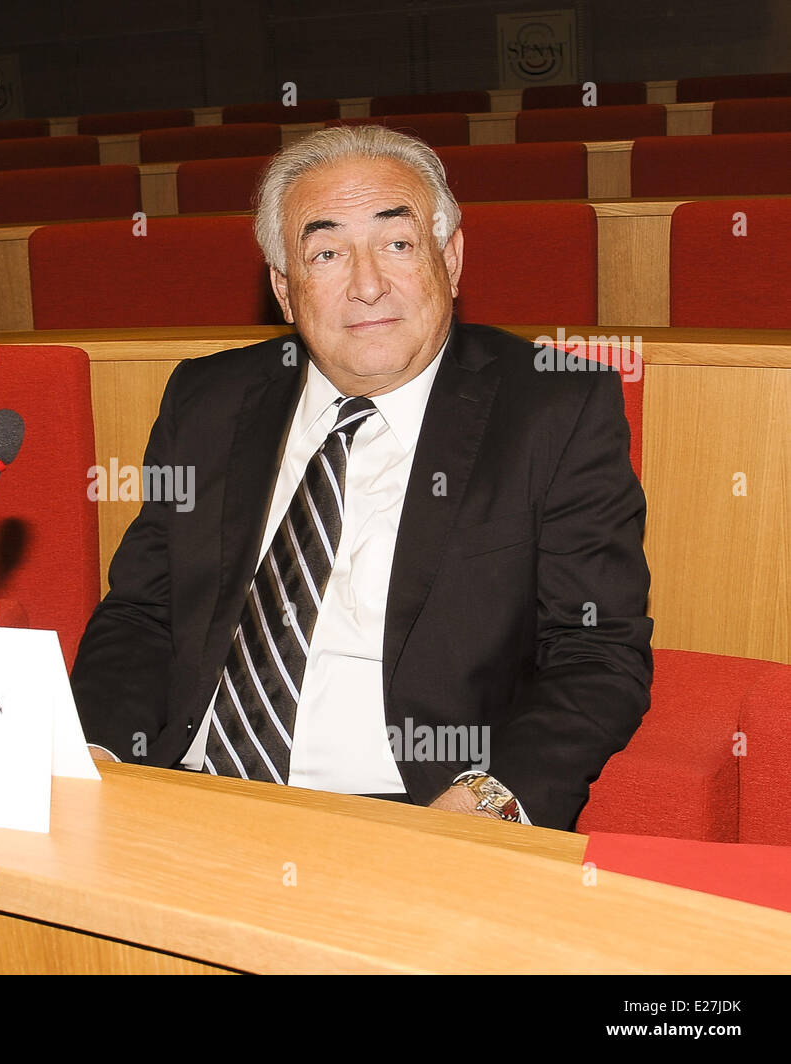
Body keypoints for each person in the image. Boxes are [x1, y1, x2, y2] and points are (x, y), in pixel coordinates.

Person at [69, 125, 652, 832]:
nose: (367, 284)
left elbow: (594, 650)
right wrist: (92, 753)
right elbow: (142, 613)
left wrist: (486, 802)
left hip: (412, 814)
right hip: (190, 791)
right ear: (285, 289)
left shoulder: (553, 409)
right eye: (326, 253)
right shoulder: (207, 400)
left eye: (397, 244)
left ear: (451, 257)